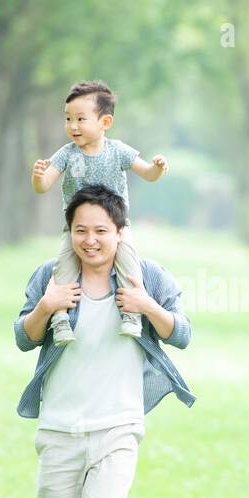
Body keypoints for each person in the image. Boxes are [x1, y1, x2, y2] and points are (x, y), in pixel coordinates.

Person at [13, 184, 195, 498]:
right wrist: (46, 307)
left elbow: (182, 334)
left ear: (120, 233)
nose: (90, 240)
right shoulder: (51, 277)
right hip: (59, 426)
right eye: (80, 230)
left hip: (118, 425)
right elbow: (23, 336)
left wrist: (146, 307)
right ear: (68, 232)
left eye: (100, 231)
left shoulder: (145, 277)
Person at [30, 78, 169, 343]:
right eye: (68, 119)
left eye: (80, 119)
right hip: (77, 229)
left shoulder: (118, 151)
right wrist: (38, 177)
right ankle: (60, 320)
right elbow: (44, 185)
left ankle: (131, 316)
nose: (72, 126)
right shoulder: (67, 154)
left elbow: (147, 174)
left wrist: (157, 168)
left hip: (117, 227)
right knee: (64, 267)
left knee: (129, 263)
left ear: (105, 122)